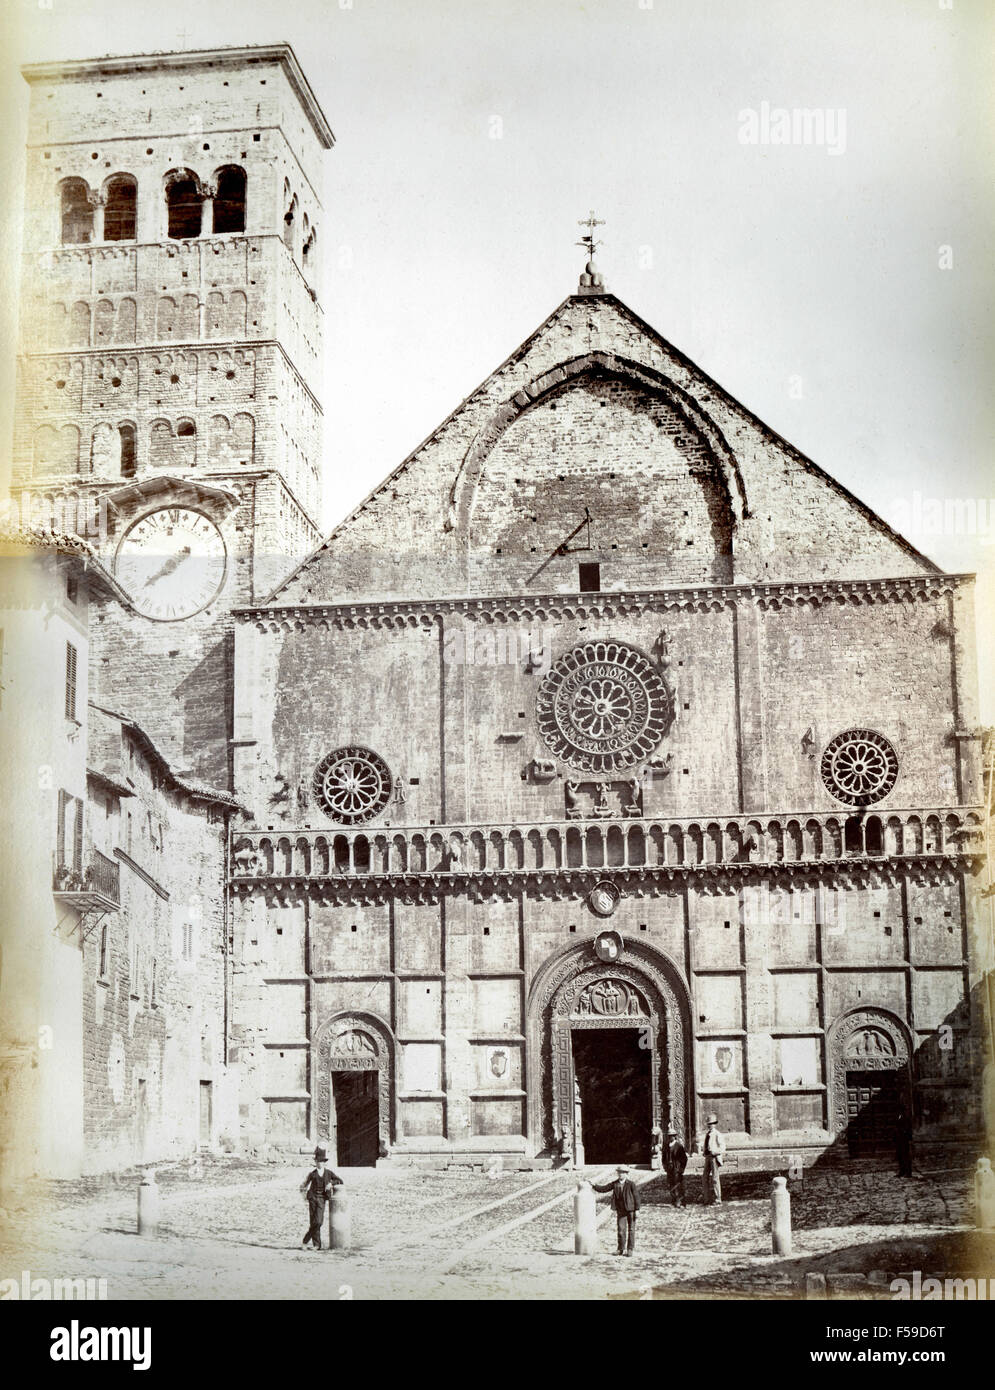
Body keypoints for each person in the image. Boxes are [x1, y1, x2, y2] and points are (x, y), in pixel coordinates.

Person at [299, 1145, 342, 1250]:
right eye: (318, 1161)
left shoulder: (329, 1173)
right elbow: (302, 1186)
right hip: (313, 1198)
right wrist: (304, 1197)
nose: (319, 1163)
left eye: (321, 1161)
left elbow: (340, 1181)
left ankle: (305, 1240)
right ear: (315, 1162)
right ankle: (317, 1245)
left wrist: (331, 1184)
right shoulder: (312, 1174)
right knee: (313, 1222)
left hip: (322, 1199)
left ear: (324, 1162)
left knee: (319, 1221)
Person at [592, 1163, 640, 1255]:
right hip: (621, 1210)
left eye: (623, 1173)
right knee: (621, 1230)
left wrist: (637, 1210)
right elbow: (604, 1188)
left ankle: (630, 1249)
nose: (621, 1174)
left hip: (631, 1209)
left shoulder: (631, 1184)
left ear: (626, 1174)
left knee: (631, 1229)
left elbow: (636, 1197)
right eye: (619, 1173)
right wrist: (594, 1185)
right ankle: (620, 1249)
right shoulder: (615, 1183)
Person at [701, 1114, 725, 1205]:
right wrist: (704, 1151)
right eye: (708, 1124)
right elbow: (706, 1144)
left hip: (714, 1157)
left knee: (715, 1178)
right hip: (708, 1157)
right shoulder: (708, 1134)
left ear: (715, 1124)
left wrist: (715, 1151)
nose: (710, 1125)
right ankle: (706, 1199)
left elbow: (723, 1147)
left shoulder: (717, 1134)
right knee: (704, 1178)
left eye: (712, 1124)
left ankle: (718, 1199)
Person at [663, 1126, 688, 1206]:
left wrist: (681, 1168)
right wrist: (665, 1166)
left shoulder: (679, 1146)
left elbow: (684, 1159)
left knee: (677, 1184)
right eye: (669, 1136)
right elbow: (663, 1157)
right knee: (670, 1184)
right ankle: (673, 1200)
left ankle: (679, 1200)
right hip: (669, 1168)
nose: (671, 1137)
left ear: (675, 1136)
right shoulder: (666, 1146)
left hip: (676, 1167)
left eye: (672, 1136)